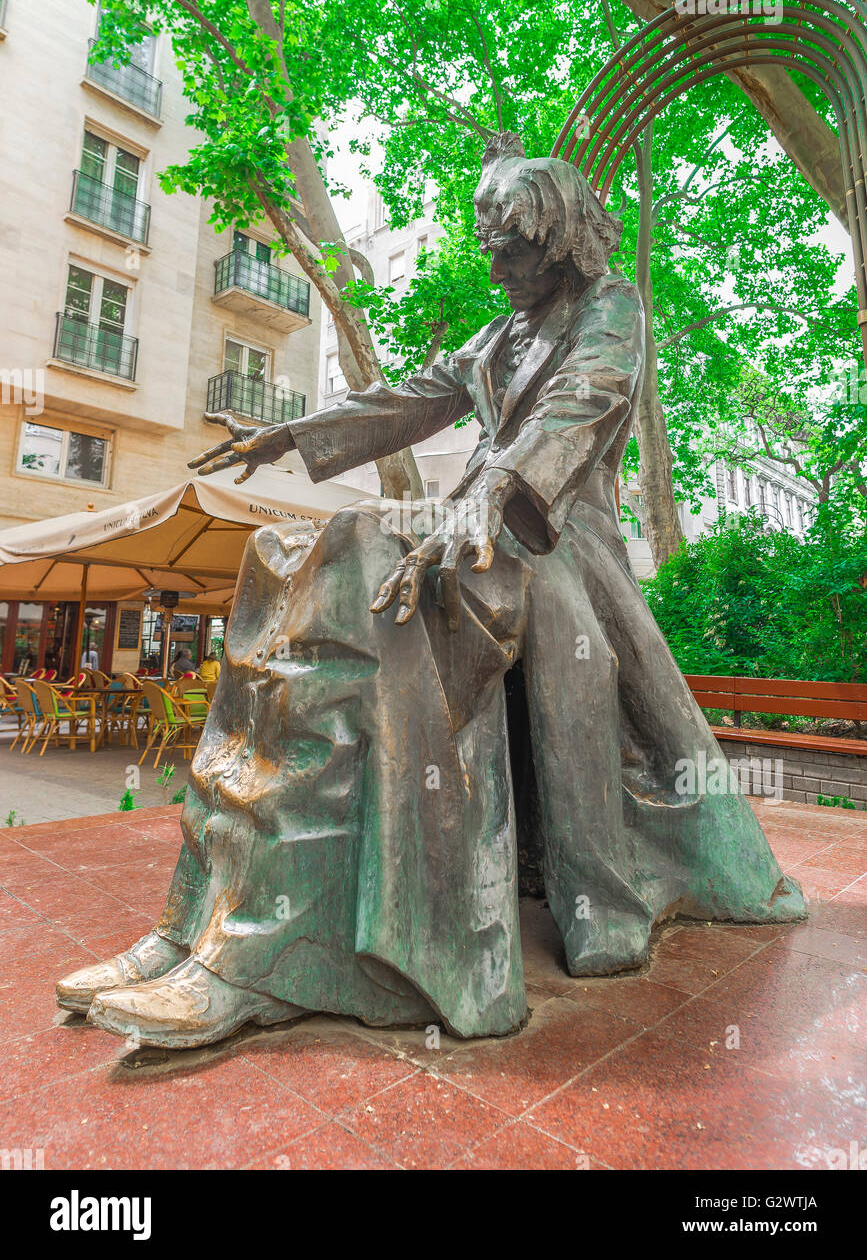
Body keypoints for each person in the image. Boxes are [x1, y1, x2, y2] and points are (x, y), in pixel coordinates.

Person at [58, 135, 804, 1050]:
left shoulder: (610, 308)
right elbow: (409, 397)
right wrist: (290, 435)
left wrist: (492, 489)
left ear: (560, 237)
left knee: (362, 561)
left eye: (511, 248)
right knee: (280, 550)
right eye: (487, 247)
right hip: (475, 531)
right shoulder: (498, 336)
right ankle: (197, 921)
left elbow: (587, 400)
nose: (495, 266)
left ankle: (259, 954)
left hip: (555, 538)